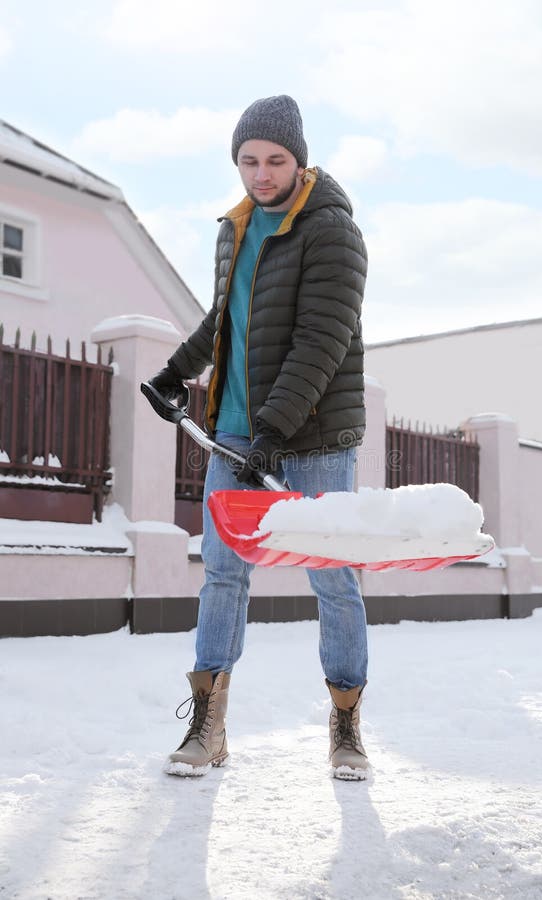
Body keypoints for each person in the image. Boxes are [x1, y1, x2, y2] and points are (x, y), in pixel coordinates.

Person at [148, 95, 370, 780]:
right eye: (249, 160)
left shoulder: (332, 231)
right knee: (222, 573)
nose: (261, 173)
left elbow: (321, 339)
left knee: (331, 578)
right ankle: (209, 725)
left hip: (314, 434)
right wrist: (173, 373)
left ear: (299, 160)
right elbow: (225, 316)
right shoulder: (235, 229)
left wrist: (273, 431)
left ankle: (345, 724)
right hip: (238, 430)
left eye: (275, 160)